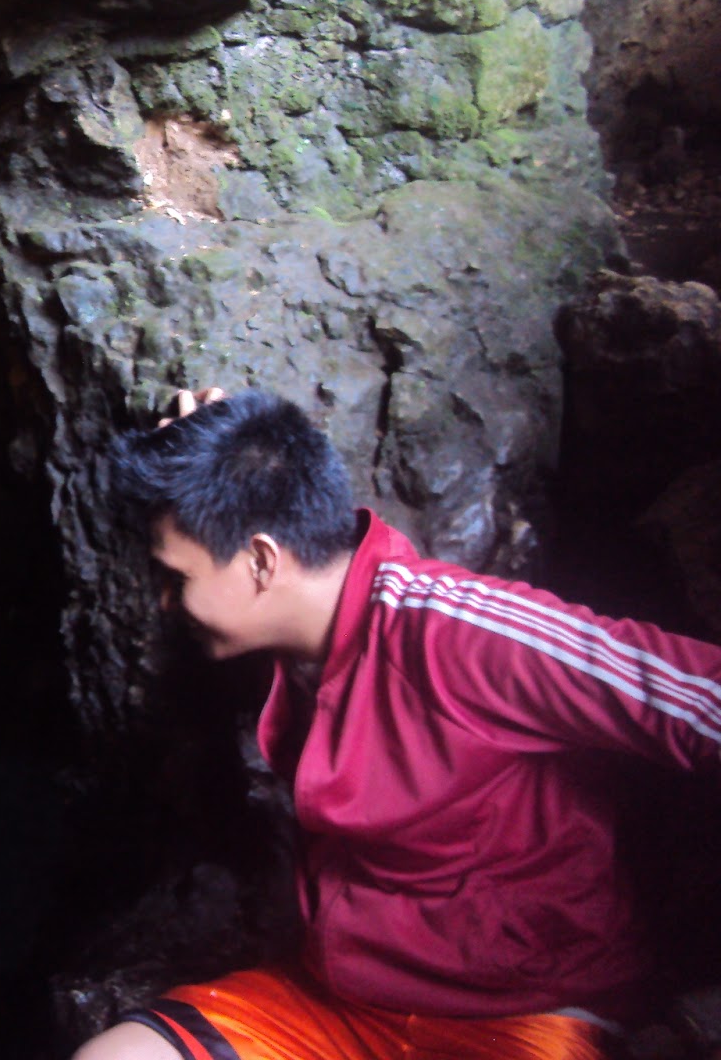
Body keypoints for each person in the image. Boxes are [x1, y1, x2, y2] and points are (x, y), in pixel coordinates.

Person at [74, 387, 721, 1060]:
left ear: (263, 561)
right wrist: (218, 433)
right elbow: (260, 479)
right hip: (350, 1000)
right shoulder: (298, 635)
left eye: (175, 577)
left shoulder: (454, 631)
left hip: (528, 1015)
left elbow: (703, 697)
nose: (164, 600)